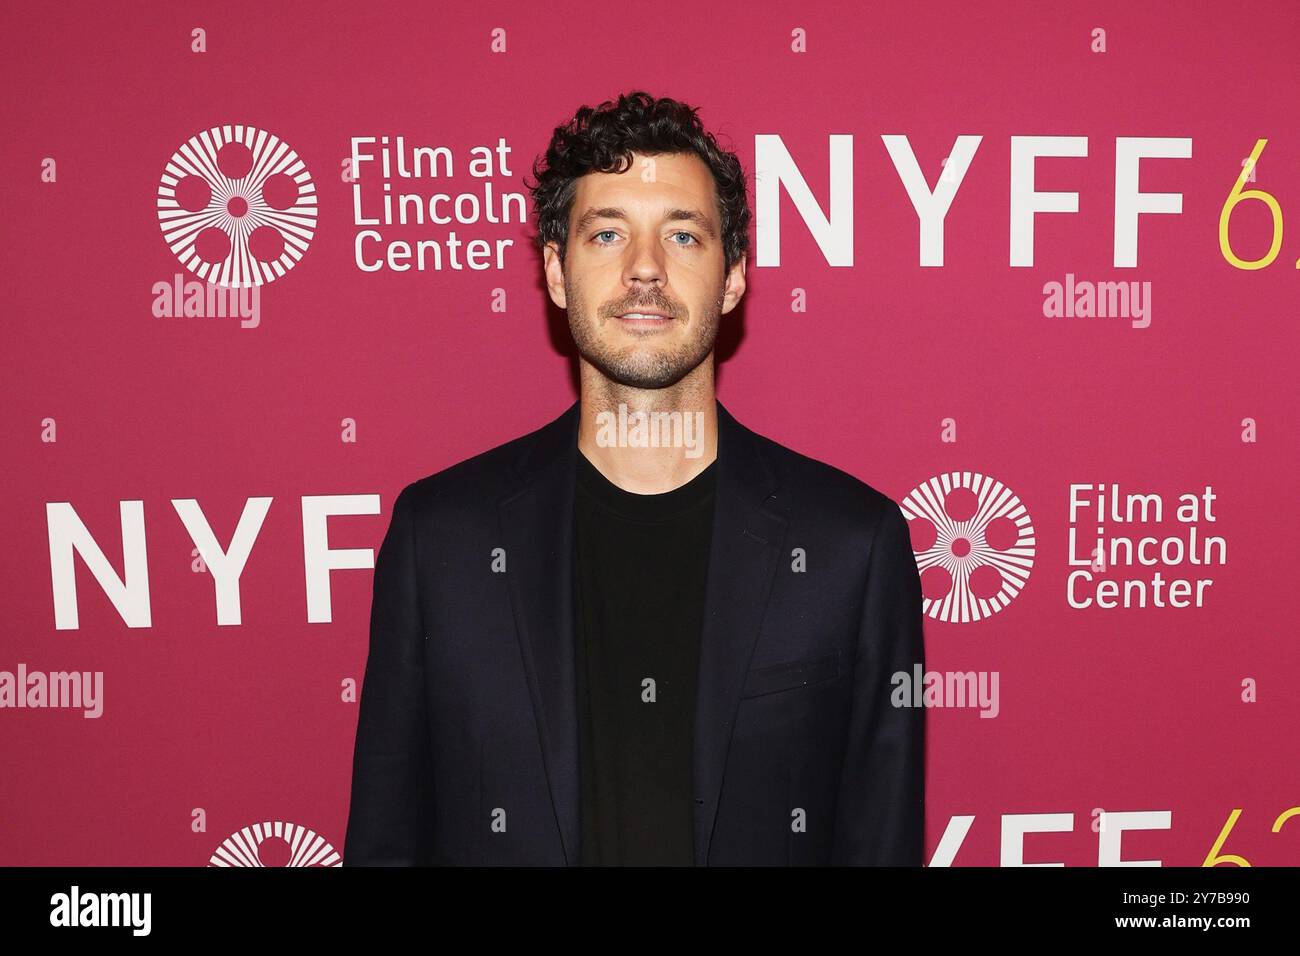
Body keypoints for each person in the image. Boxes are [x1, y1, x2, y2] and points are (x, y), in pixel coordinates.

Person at [343, 90, 925, 866]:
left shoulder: (854, 545)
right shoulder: (439, 539)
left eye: (683, 236)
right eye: (607, 232)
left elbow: (879, 843)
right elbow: (387, 841)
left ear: (732, 278)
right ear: (555, 271)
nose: (644, 268)